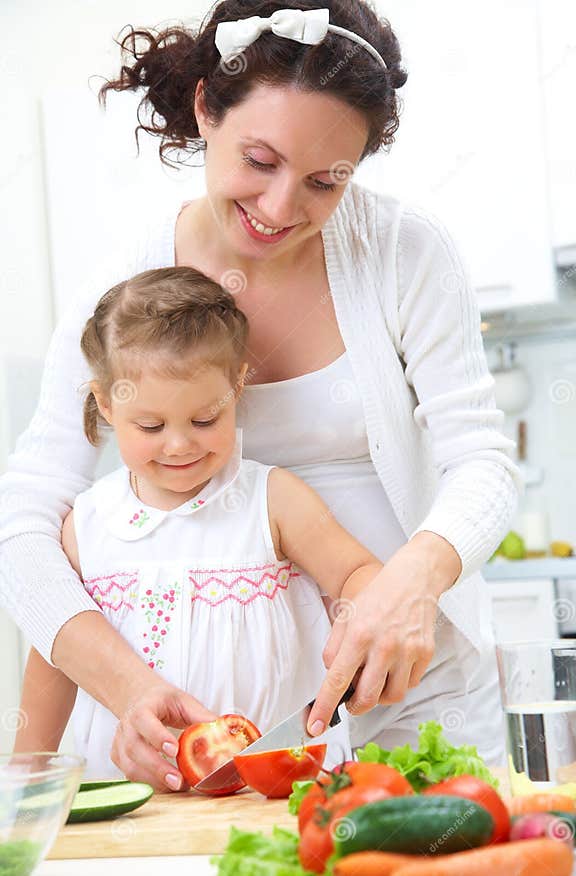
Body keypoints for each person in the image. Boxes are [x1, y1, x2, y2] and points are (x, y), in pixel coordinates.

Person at [0, 0, 522, 793]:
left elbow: (481, 461)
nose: (281, 209)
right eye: (259, 161)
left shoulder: (405, 253)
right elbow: (24, 523)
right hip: (235, 728)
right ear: (206, 109)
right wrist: (127, 689)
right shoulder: (125, 292)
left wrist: (410, 582)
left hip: (411, 687)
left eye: (325, 181)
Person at [13, 266, 384, 780]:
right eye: (150, 425)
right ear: (106, 404)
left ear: (237, 387)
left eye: (205, 419)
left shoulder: (273, 501)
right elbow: (57, 655)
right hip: (135, 801)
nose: (179, 444)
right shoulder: (86, 527)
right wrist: (25, 777)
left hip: (273, 792)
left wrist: (364, 618)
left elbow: (357, 573)